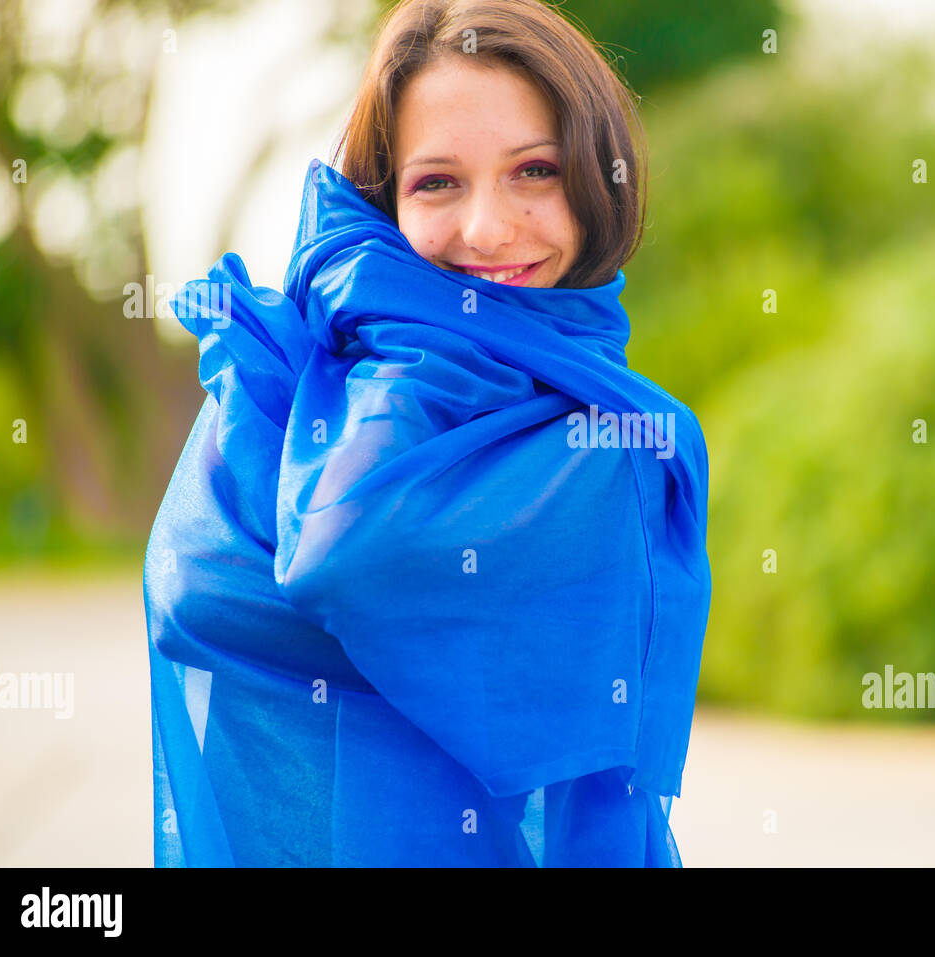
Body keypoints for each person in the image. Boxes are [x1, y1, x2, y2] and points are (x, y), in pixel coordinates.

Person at [143, 0, 712, 867]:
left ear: (601, 176)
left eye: (535, 171)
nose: (486, 230)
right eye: (436, 182)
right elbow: (256, 576)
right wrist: (416, 346)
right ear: (383, 203)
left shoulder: (614, 440)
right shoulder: (291, 378)